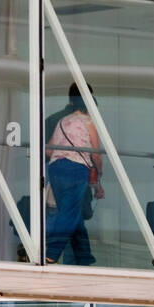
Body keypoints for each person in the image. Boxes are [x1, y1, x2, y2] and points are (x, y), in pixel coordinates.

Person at [44, 83, 103, 265]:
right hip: (76, 169)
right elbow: (95, 154)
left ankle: (84, 256)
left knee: (72, 213)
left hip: (55, 169)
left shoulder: (63, 121)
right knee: (69, 213)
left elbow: (48, 150)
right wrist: (99, 174)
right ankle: (51, 254)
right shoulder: (89, 122)